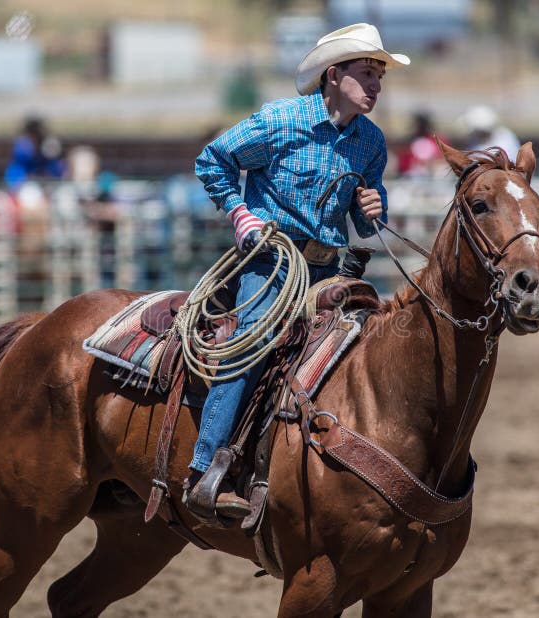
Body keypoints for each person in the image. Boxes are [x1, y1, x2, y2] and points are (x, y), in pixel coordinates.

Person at [186, 23, 410, 518]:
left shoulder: (370, 142)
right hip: (271, 261)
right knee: (253, 342)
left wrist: (374, 205)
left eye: (380, 76)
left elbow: (363, 214)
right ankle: (205, 471)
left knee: (370, 344)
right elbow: (213, 161)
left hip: (328, 266)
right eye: (366, 73)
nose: (375, 85)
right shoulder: (280, 121)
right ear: (334, 75)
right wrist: (241, 215)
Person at [396, 111, 448, 178]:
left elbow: (445, 160)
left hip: (433, 176)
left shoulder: (437, 140)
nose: (421, 127)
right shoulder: (408, 142)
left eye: (423, 124)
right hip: (412, 177)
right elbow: (403, 165)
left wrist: (431, 163)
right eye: (419, 124)